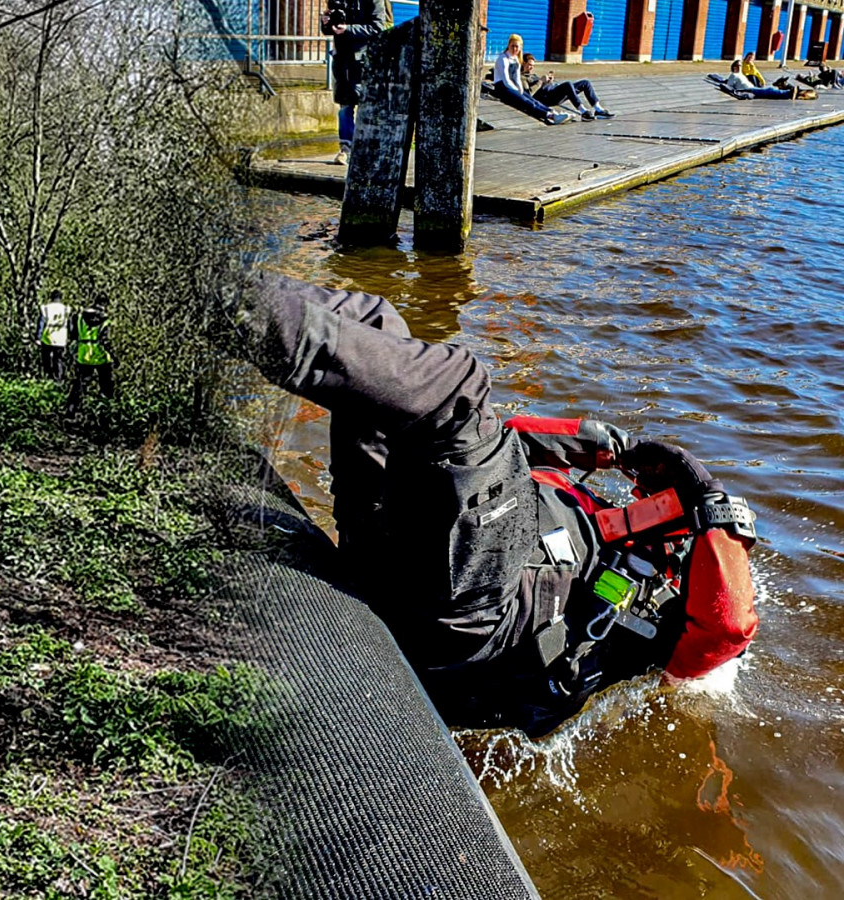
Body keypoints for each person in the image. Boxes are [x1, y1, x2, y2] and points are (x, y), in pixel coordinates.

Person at [227, 275, 759, 734]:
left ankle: (213, 296)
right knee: (375, 318)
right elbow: (490, 452)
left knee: (456, 391)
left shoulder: (669, 617)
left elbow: (727, 631)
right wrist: (584, 442)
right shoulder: (603, 510)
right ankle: (221, 297)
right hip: (406, 548)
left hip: (472, 620)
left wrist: (712, 503)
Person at [324, 0, 393, 165]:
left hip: (365, 60)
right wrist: (326, 22)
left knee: (367, 105)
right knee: (344, 106)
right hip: (342, 60)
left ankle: (369, 148)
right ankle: (346, 148)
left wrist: (349, 29)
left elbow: (378, 27)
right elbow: (329, 30)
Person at [492, 34, 572, 125]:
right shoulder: (503, 59)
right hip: (502, 87)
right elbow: (506, 80)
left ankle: (553, 112)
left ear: (520, 48)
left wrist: (520, 89)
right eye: (512, 46)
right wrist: (518, 92)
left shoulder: (516, 60)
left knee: (532, 99)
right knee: (525, 101)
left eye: (516, 47)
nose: (514, 49)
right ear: (508, 45)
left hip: (512, 86)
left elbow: (516, 77)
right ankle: (549, 116)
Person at [521, 54, 613, 120]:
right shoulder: (522, 77)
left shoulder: (533, 75)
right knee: (567, 84)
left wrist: (549, 81)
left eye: (533, 65)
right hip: (548, 98)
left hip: (554, 91)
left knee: (585, 83)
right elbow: (529, 94)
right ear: (523, 63)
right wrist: (541, 81)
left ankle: (598, 109)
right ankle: (583, 111)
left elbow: (542, 84)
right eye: (529, 65)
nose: (531, 68)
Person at [63, 305, 113, 414]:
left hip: (84, 356)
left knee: (79, 385)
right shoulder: (105, 321)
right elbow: (106, 341)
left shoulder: (80, 318)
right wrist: (114, 357)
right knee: (106, 386)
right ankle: (107, 411)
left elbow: (74, 336)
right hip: (101, 357)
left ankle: (71, 410)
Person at [716, 61, 804, 99]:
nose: (740, 66)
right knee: (770, 90)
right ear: (734, 67)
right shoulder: (733, 75)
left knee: (769, 90)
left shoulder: (740, 74)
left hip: (753, 88)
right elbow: (729, 86)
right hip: (749, 90)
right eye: (739, 65)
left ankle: (789, 93)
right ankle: (788, 93)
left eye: (740, 65)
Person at [36, 289, 71, 380]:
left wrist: (38, 337)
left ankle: (48, 376)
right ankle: (58, 378)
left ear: (51, 298)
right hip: (61, 337)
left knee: (46, 359)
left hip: (47, 337)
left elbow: (41, 323)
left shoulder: (46, 308)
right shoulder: (66, 309)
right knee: (58, 359)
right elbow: (70, 325)